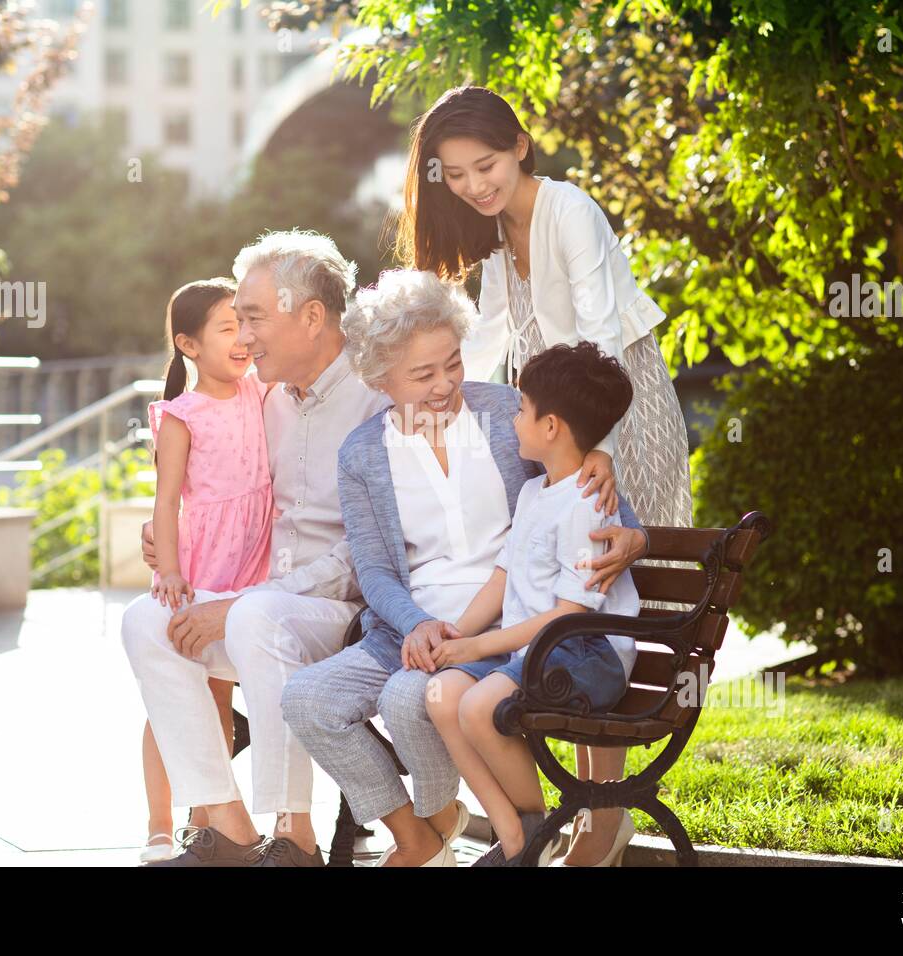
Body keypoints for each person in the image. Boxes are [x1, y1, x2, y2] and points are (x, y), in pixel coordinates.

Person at [396, 84, 695, 865]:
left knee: (606, 587)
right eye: (455, 174)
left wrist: (597, 441)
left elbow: (597, 325)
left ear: (522, 145)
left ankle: (603, 815)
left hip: (610, 400)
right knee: (574, 580)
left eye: (484, 164)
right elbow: (493, 337)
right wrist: (451, 409)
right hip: (562, 416)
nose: (472, 185)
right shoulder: (498, 233)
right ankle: (590, 812)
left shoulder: (567, 208)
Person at [281, 270, 651, 866]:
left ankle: (469, 829)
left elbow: (580, 486)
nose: (444, 385)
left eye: (451, 363)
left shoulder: (509, 415)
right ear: (380, 378)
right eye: (422, 374)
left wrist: (630, 530)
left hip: (509, 627)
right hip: (413, 632)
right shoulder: (362, 453)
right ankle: (424, 831)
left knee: (414, 696)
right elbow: (374, 572)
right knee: (306, 699)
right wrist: (418, 625)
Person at [123, 231, 389, 867]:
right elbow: (215, 486)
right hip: (259, 606)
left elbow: (363, 554)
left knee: (256, 617)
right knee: (146, 621)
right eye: (236, 320)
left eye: (253, 317)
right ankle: (231, 827)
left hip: (342, 612)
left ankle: (294, 835)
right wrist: (171, 540)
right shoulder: (264, 397)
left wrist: (245, 601)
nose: (244, 335)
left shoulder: (376, 399)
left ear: (312, 317)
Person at [427, 342, 641, 866]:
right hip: (543, 648)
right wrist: (457, 634)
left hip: (587, 651)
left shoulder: (587, 503)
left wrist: (480, 644)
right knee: (440, 695)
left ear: (551, 428)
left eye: (521, 409)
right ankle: (522, 831)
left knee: (480, 707)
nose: (514, 420)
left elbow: (572, 615)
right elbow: (504, 576)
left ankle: (534, 838)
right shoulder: (534, 493)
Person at [135, 277, 274, 863]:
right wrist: (168, 570)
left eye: (245, 324)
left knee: (222, 691)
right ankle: (161, 822)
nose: (242, 338)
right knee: (182, 696)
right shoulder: (180, 414)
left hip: (254, 564)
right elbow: (167, 502)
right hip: (198, 568)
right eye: (226, 328)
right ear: (189, 345)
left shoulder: (260, 391)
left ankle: (210, 817)